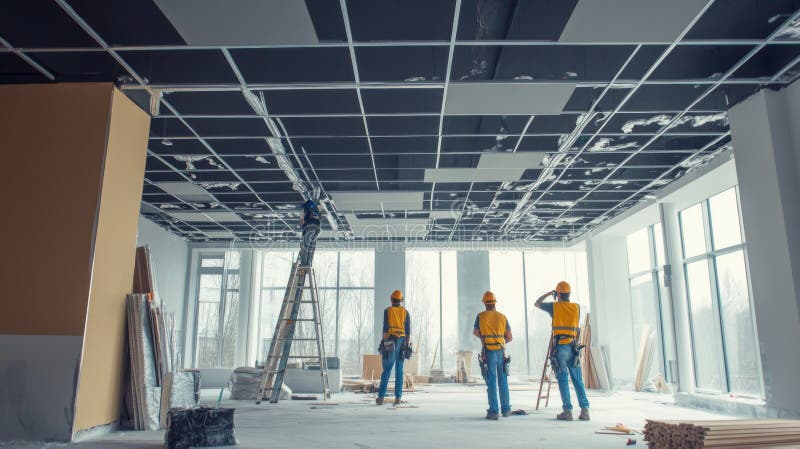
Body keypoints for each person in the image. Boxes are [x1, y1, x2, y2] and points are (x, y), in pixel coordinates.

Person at [534, 281, 590, 421]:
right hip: (573, 347)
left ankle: (568, 411)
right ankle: (585, 411)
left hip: (560, 348)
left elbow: (537, 303)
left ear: (558, 294)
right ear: (569, 294)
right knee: (578, 380)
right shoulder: (576, 307)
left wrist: (550, 293)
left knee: (563, 380)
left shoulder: (554, 307)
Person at [473, 291, 512, 420]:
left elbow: (476, 332)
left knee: (491, 381)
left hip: (489, 351)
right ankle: (506, 410)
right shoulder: (502, 317)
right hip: (500, 351)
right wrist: (500, 341)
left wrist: (484, 339)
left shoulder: (481, 316)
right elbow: (509, 337)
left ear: (484, 303)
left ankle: (494, 411)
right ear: (494, 303)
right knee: (503, 381)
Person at [376, 289, 411, 405]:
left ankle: (380, 398)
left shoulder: (387, 311)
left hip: (390, 340)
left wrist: (383, 342)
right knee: (399, 371)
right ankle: (398, 398)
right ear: (401, 301)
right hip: (401, 341)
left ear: (392, 300)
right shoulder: (405, 312)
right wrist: (406, 346)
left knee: (386, 370)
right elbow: (408, 332)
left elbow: (385, 329)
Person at [298, 199, 321, 266]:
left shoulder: (307, 208)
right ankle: (308, 263)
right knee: (311, 247)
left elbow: (303, 220)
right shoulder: (316, 208)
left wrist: (303, 227)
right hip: (316, 227)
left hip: (311, 227)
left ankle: (304, 263)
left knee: (305, 246)